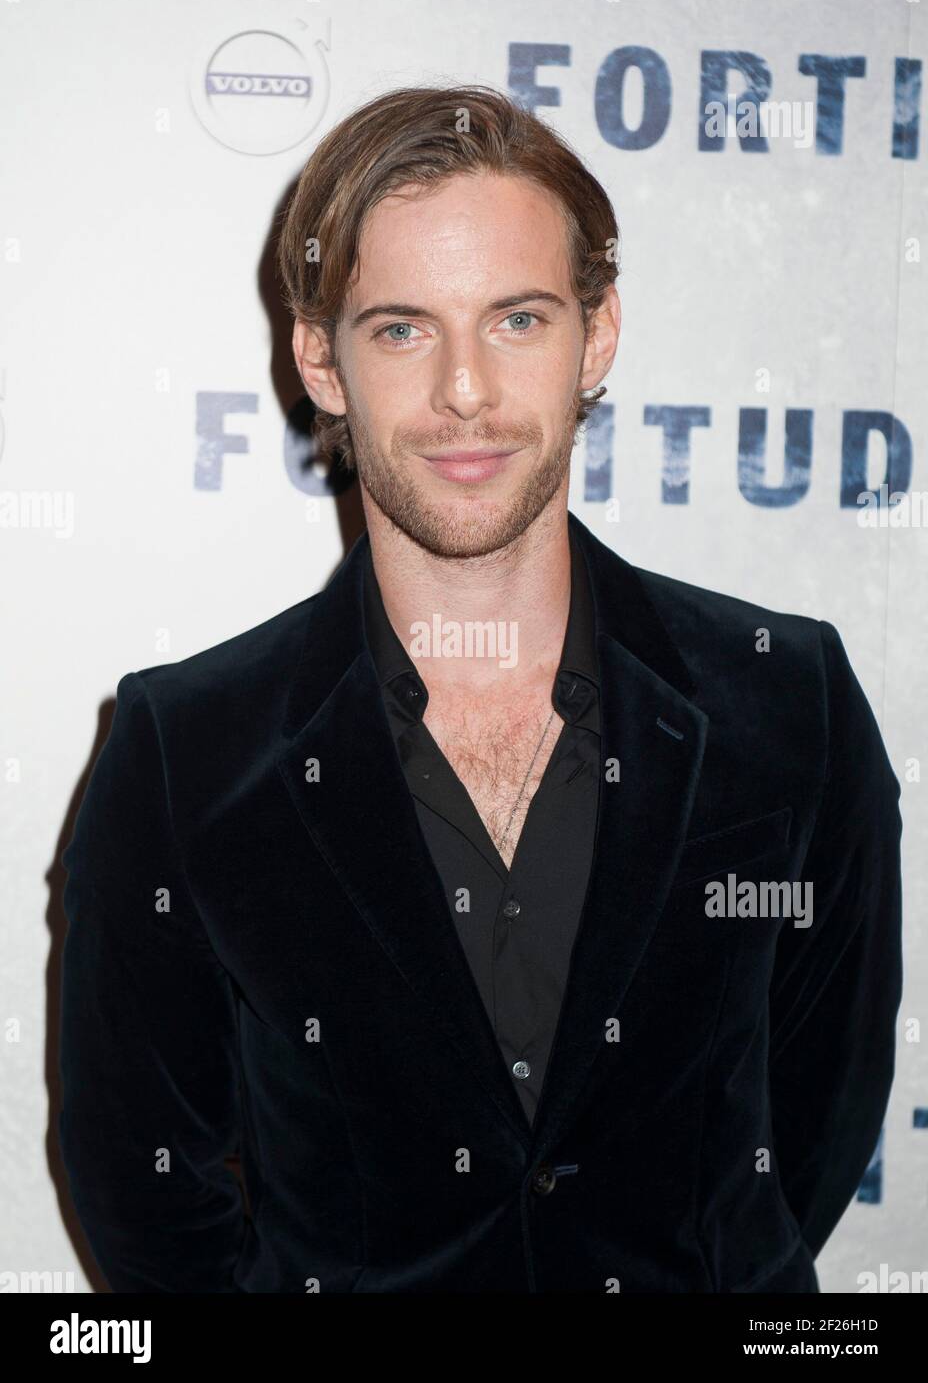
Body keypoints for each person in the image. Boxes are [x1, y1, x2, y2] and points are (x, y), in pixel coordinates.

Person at [59, 84, 903, 1293]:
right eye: (402, 328)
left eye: (516, 318)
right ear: (320, 359)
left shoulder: (787, 704)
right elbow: (142, 1188)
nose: (464, 389)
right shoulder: (186, 746)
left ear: (595, 336)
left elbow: (814, 1127)